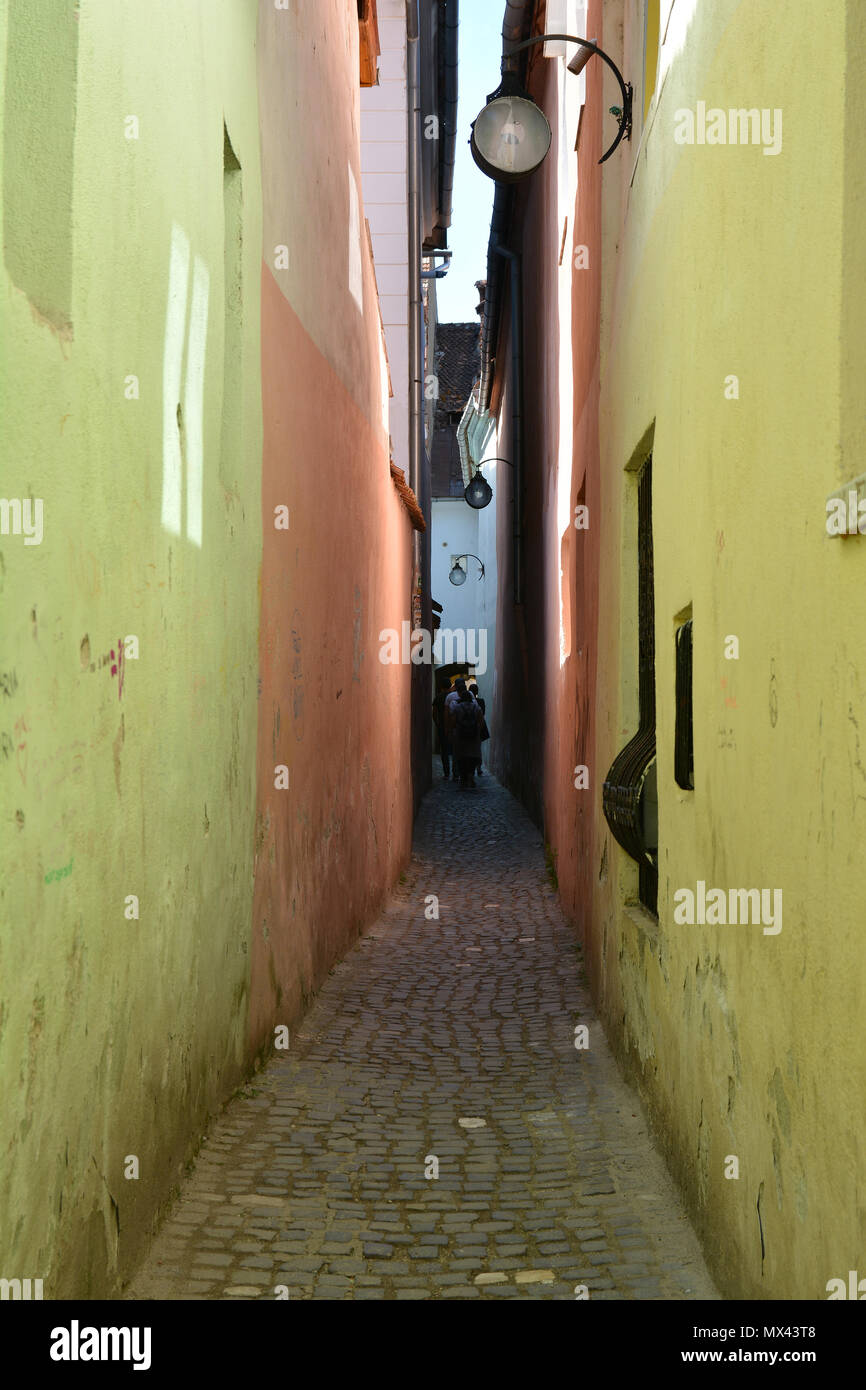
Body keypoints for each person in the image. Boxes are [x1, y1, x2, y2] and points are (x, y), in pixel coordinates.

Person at [449, 680, 482, 789]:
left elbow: (453, 722)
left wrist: (453, 730)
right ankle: (471, 776)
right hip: (473, 736)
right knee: (472, 757)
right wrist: (477, 730)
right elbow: (480, 720)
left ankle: (463, 780)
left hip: (460, 735)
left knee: (462, 757)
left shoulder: (457, 707)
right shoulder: (476, 707)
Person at [432, 676, 453, 779]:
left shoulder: (438, 697)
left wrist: (437, 723)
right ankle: (456, 773)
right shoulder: (453, 696)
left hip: (442, 726)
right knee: (455, 749)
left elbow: (434, 713)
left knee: (444, 750)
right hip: (453, 726)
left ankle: (446, 772)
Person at [468, 683, 489, 776]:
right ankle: (478, 767)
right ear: (477, 692)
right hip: (478, 727)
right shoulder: (481, 701)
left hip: (468, 728)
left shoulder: (466, 702)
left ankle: (469, 768)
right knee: (477, 749)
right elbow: (482, 713)